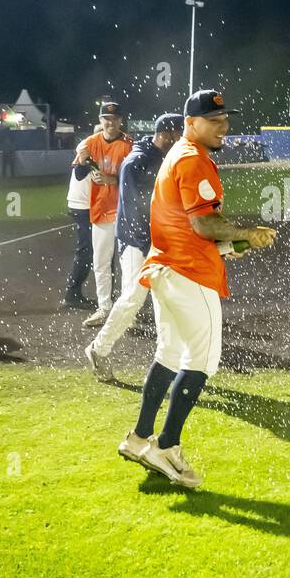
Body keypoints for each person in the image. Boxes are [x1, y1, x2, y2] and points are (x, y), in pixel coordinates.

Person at [118, 90, 276, 487]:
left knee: (169, 352)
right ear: (191, 124)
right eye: (214, 120)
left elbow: (197, 229)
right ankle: (166, 447)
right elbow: (203, 225)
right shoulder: (192, 159)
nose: (224, 126)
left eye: (225, 119)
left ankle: (139, 437)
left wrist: (236, 243)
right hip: (188, 273)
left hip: (167, 266)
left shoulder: (181, 155)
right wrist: (243, 232)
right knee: (203, 360)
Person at [85, 113, 184, 379]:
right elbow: (131, 211)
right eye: (179, 134)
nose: (182, 139)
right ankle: (98, 349)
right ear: (166, 134)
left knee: (165, 297)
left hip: (155, 241)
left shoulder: (164, 157)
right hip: (134, 242)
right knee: (133, 297)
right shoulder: (136, 162)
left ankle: (168, 361)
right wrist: (148, 247)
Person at [73, 102, 133, 322]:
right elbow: (79, 175)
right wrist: (82, 160)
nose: (110, 122)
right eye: (106, 118)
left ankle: (128, 310)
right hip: (100, 209)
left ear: (120, 121)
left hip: (125, 211)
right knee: (101, 261)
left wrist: (112, 179)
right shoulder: (90, 143)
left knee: (127, 263)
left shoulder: (129, 145)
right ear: (100, 121)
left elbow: (137, 180)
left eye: (114, 118)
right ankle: (104, 308)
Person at [62, 124, 100, 310]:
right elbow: (79, 173)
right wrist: (86, 161)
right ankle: (72, 294)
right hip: (83, 206)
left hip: (84, 205)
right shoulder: (88, 149)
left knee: (93, 250)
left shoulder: (89, 149)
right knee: (87, 250)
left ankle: (77, 293)